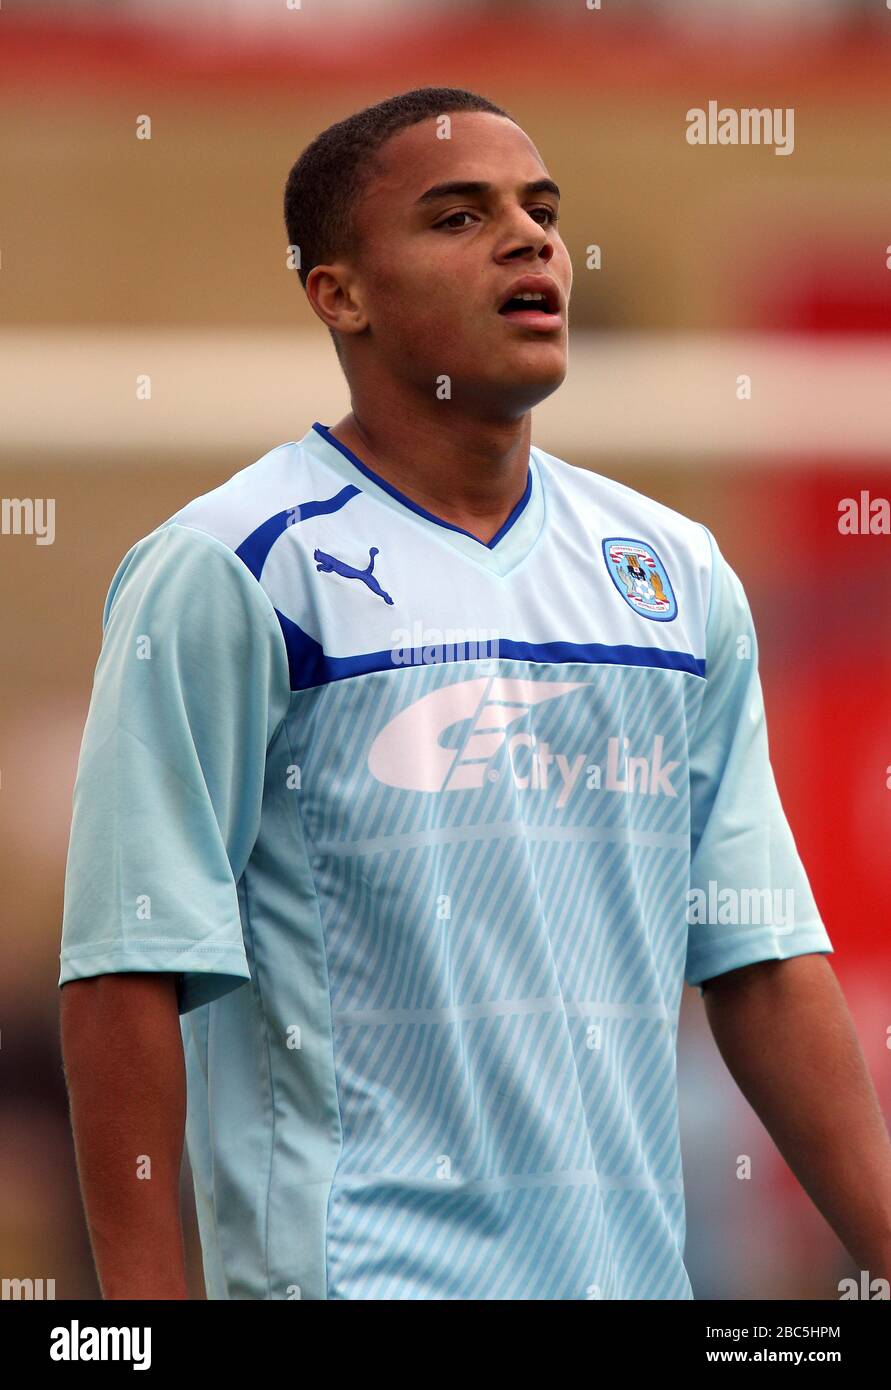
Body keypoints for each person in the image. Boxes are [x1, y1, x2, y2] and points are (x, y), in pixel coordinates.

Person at [59, 86, 891, 1301]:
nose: (529, 239)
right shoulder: (238, 568)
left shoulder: (674, 574)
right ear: (337, 291)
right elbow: (128, 965)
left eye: (541, 210)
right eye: (458, 217)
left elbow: (762, 961)